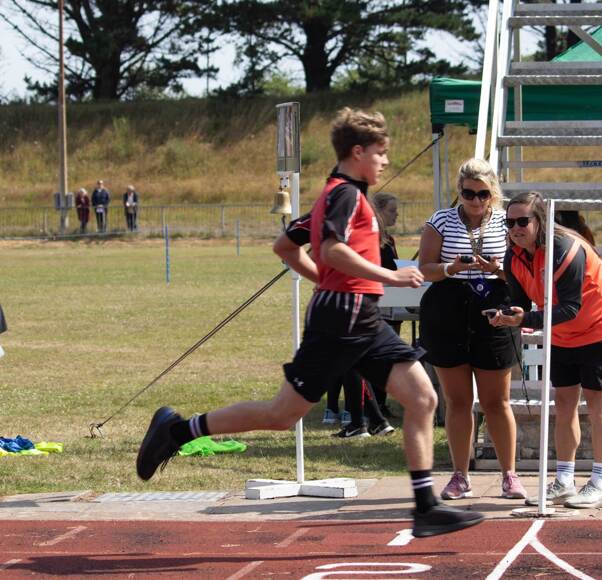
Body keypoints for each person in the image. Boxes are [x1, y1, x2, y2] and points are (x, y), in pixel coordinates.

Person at [137, 107, 483, 538]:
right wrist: (385, 275)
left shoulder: (336, 194)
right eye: (381, 153)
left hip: (360, 315)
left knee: (422, 398)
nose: (385, 161)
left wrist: (330, 282)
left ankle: (425, 505)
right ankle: (177, 430)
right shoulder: (345, 196)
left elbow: (286, 246)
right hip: (341, 319)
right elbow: (331, 248)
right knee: (283, 415)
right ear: (358, 152)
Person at [491, 191, 602, 509]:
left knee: (597, 404)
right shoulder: (513, 256)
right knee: (564, 404)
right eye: (509, 222)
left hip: (600, 327)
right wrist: (504, 313)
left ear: (540, 221)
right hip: (562, 334)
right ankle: (564, 480)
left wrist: (525, 318)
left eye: (522, 221)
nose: (515, 228)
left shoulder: (565, 249)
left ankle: (599, 483)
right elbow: (521, 302)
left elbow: (569, 307)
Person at [417, 158, 527, 502]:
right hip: (448, 307)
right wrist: (451, 267)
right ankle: (459, 475)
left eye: (482, 194)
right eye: (468, 194)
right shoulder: (441, 220)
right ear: (459, 191)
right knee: (457, 401)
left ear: (492, 193)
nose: (476, 201)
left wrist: (496, 269)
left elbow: (522, 271)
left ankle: (509, 474)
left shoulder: (507, 221)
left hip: (494, 304)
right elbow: (426, 268)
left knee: (497, 401)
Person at [275, 208, 393, 438]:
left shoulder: (342, 212)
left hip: (345, 305)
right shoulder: (357, 214)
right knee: (352, 364)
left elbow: (318, 252)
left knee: (348, 364)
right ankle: (374, 420)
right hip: (356, 301)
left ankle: (361, 422)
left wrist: (309, 264)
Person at [371, 191, 401, 417]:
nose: (396, 215)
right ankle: (370, 407)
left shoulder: (389, 240)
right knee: (374, 358)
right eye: (392, 210)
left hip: (393, 305)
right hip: (376, 305)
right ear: (378, 212)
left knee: (388, 359)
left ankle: (381, 403)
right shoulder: (369, 240)